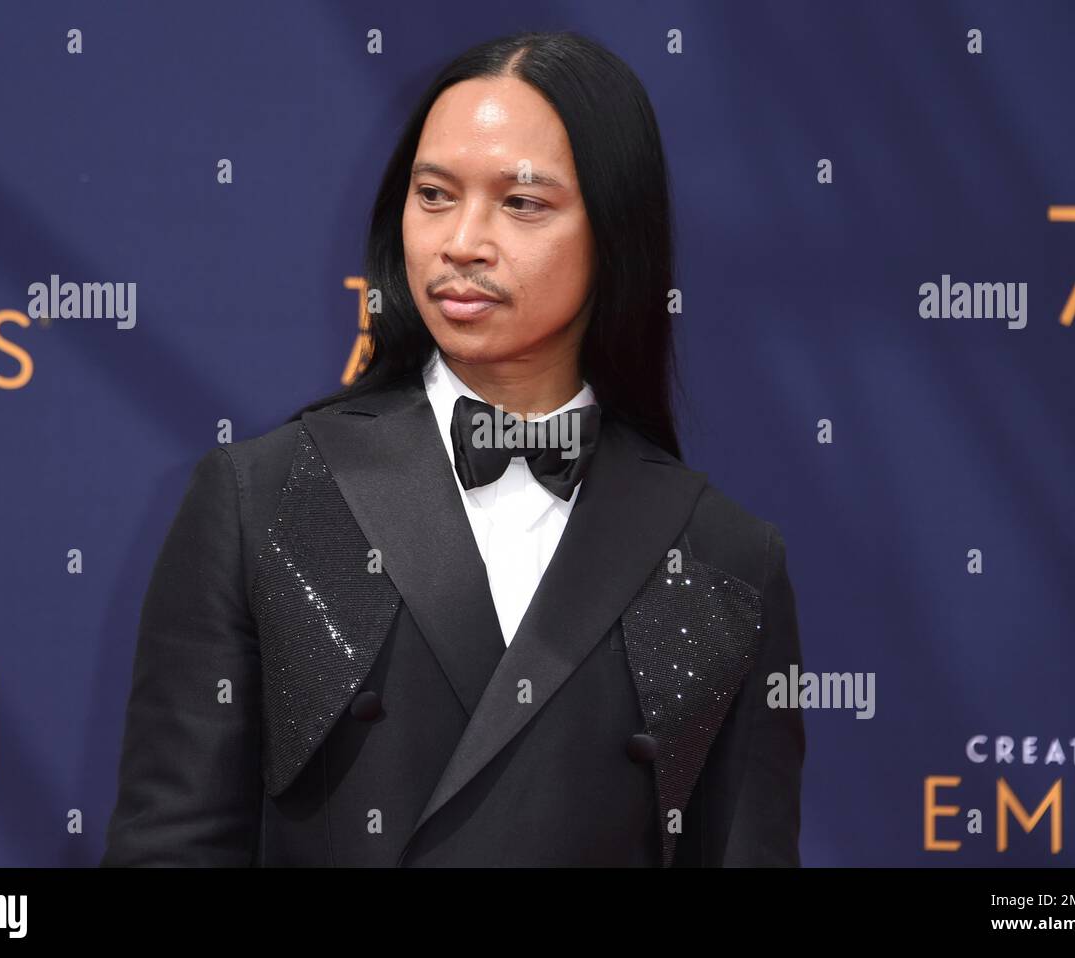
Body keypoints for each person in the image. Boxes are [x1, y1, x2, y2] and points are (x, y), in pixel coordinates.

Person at [102, 29, 804, 867]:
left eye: (521, 203)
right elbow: (172, 847)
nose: (462, 242)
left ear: (616, 231)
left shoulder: (725, 556)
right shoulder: (266, 498)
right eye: (434, 195)